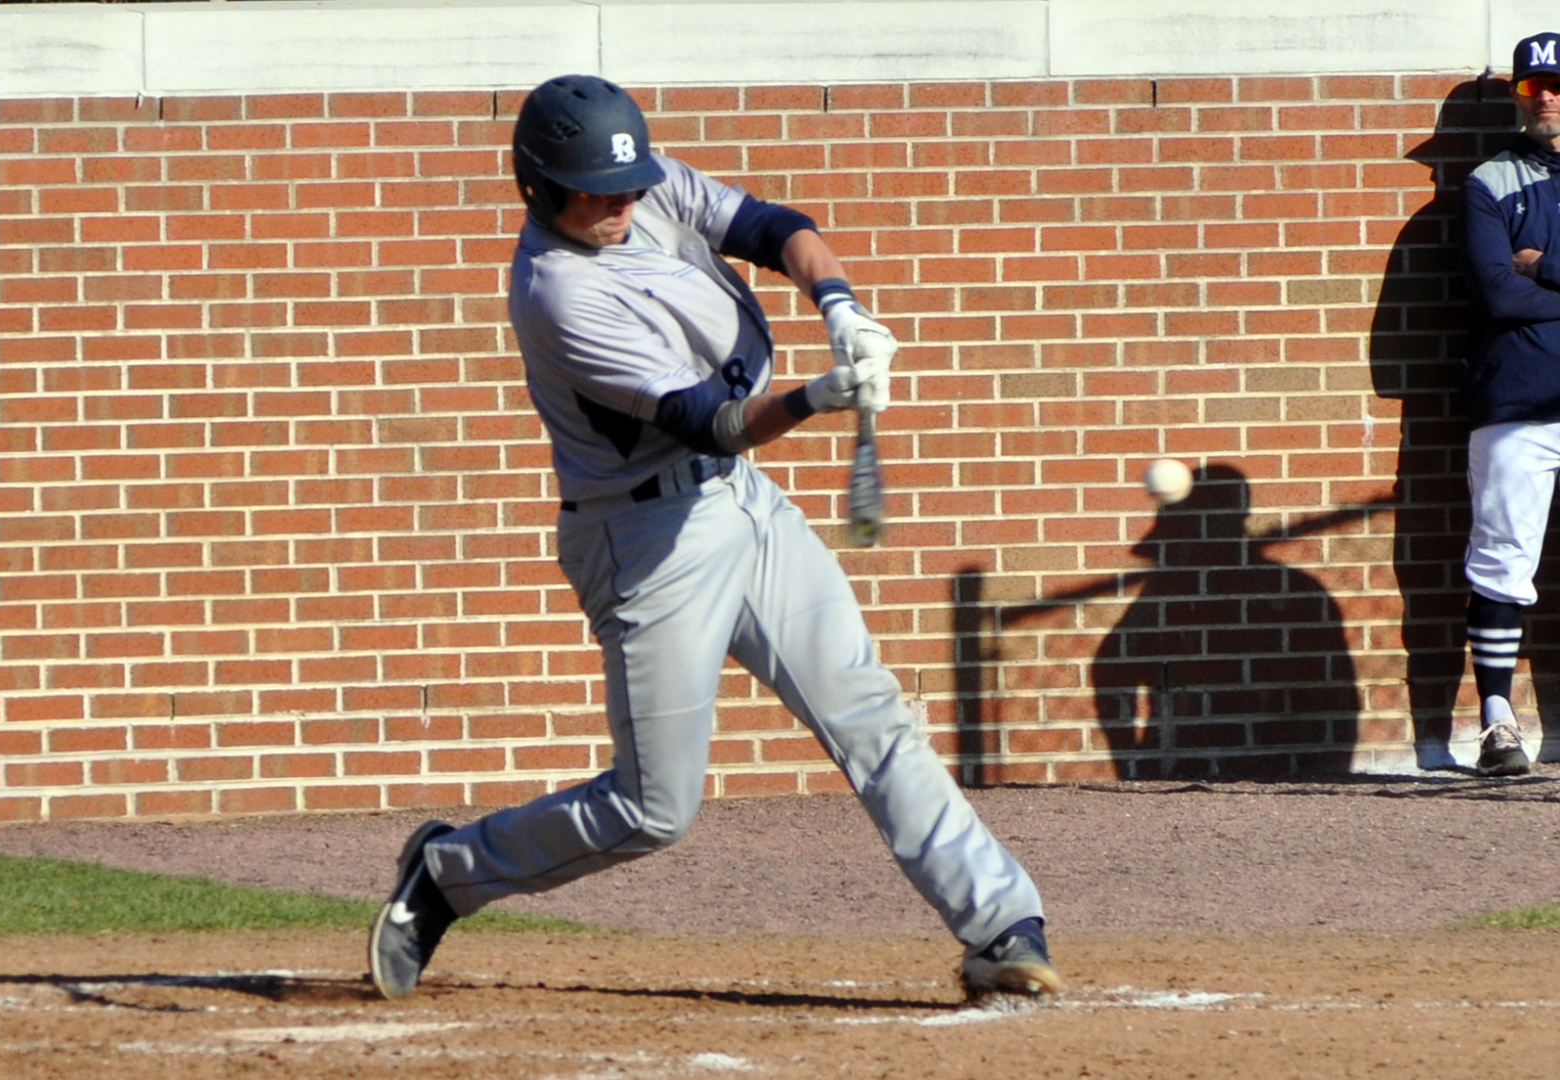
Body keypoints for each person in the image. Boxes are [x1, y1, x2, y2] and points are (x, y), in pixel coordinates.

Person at [367, 74, 1059, 1002]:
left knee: (869, 710)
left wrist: (841, 306)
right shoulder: (557, 292)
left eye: (626, 183)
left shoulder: (641, 188)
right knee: (653, 811)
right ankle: (450, 870)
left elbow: (776, 228)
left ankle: (1000, 926)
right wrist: (820, 396)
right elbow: (711, 422)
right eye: (595, 190)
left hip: (744, 503)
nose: (620, 201)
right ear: (538, 187)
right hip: (648, 540)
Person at [1455, 31, 1560, 778]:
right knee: (1501, 565)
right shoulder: (1487, 181)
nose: (1546, 96)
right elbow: (1496, 290)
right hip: (1516, 398)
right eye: (1532, 86)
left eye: (1558, 83)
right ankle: (1497, 724)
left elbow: (1525, 280)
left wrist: (1546, 265)